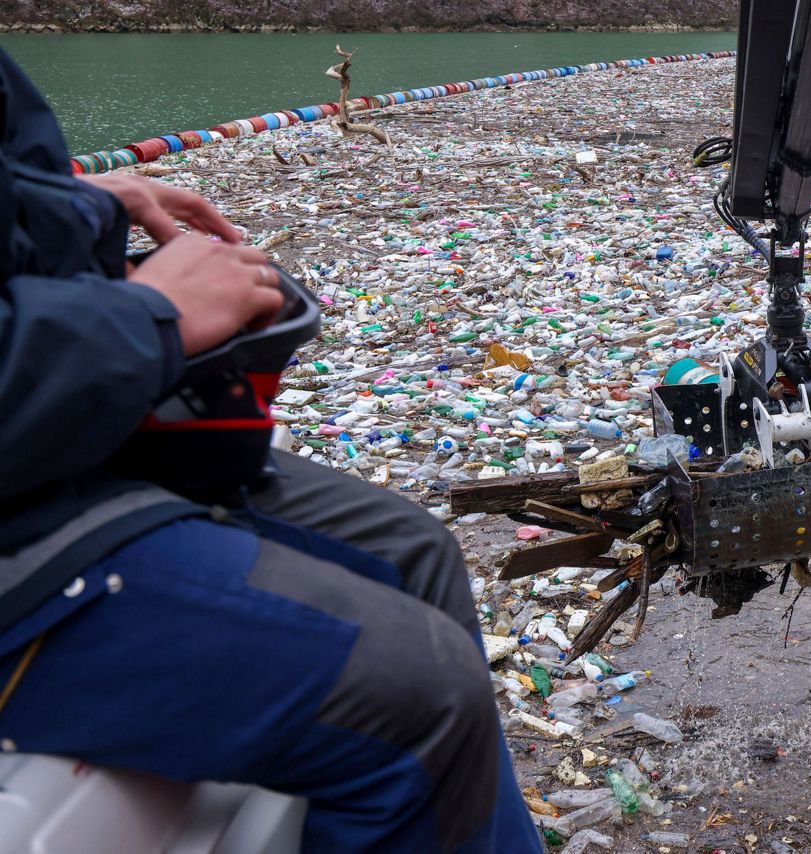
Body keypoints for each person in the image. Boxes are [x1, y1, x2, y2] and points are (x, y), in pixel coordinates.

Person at [0, 48, 542, 853]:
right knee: (421, 686)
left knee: (415, 549)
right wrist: (151, 317)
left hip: (58, 450)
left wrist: (60, 207)